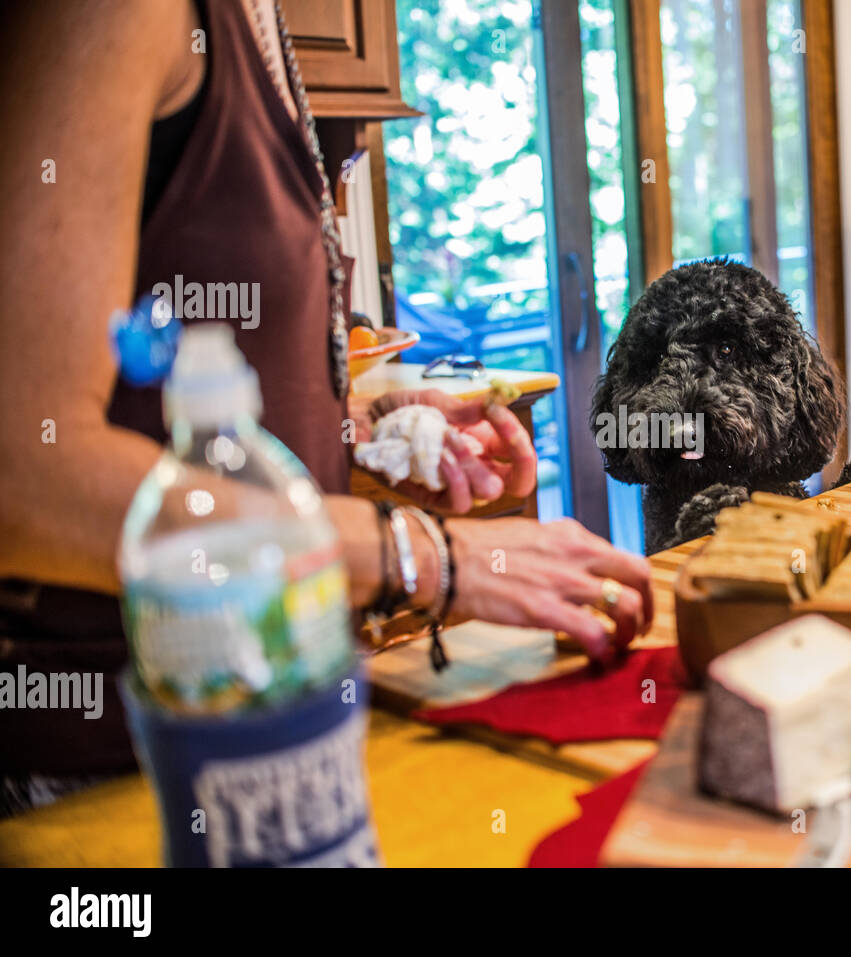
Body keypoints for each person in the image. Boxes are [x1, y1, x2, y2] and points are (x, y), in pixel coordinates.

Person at [0, 0, 652, 800]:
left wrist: (363, 430)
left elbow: (181, 398)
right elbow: (21, 475)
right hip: (110, 765)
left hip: (276, 720)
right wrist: (417, 554)